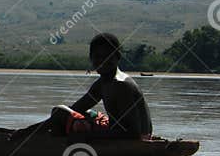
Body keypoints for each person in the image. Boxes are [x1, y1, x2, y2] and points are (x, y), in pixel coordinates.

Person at [16, 33, 153, 139]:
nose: (102, 61)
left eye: (107, 56)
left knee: (60, 113)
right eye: (97, 57)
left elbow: (134, 133)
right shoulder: (101, 84)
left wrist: (86, 135)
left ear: (117, 57)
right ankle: (45, 140)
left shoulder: (122, 85)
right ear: (91, 59)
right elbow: (75, 109)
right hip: (114, 129)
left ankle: (55, 147)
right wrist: (28, 131)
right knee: (66, 113)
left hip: (137, 138)